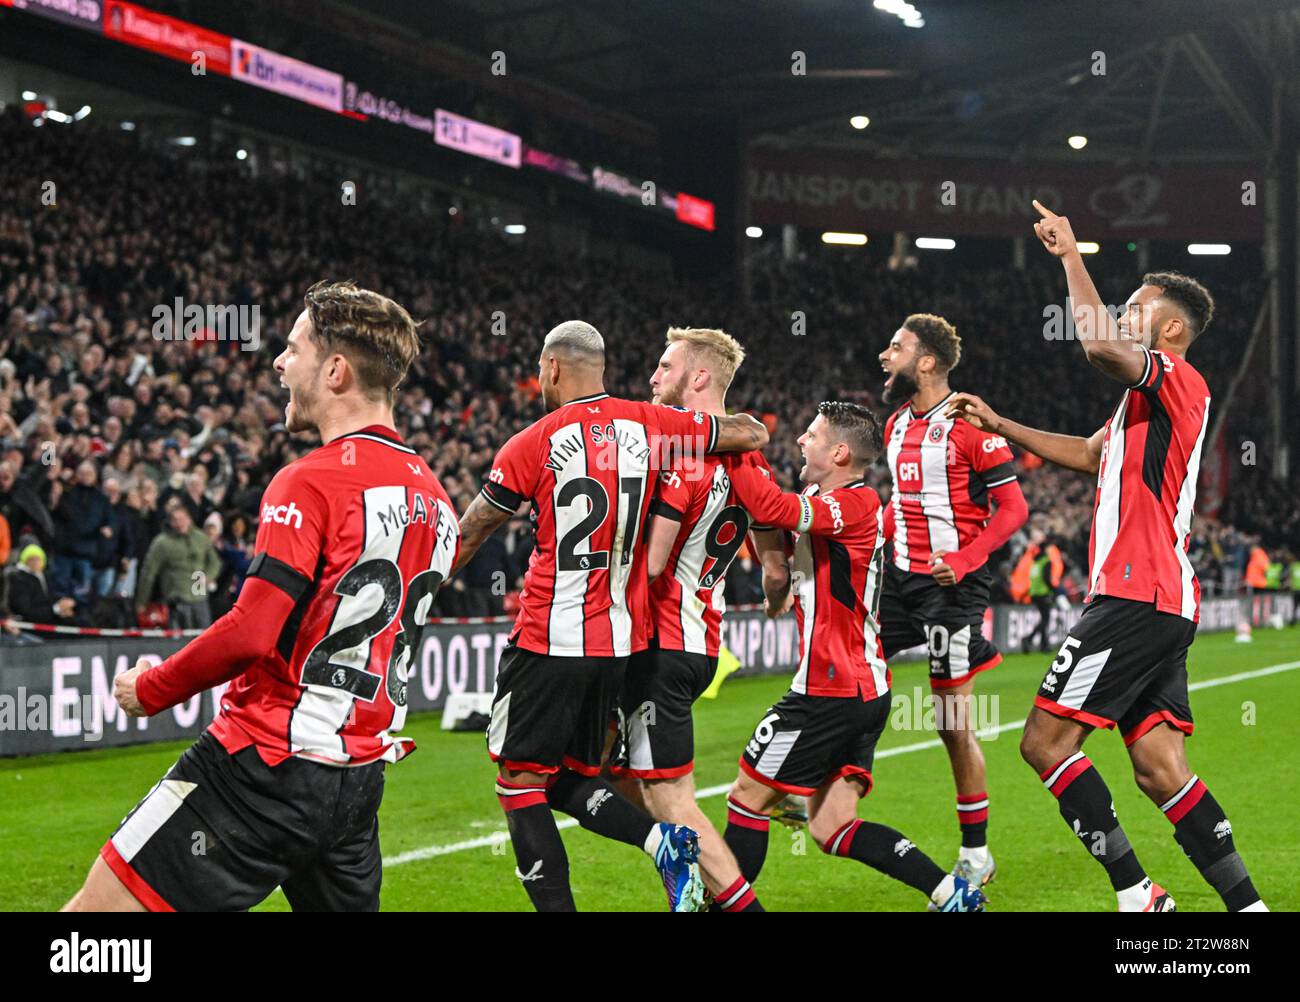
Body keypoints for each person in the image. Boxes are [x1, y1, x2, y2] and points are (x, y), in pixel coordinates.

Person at [63, 280, 458, 912]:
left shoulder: (311, 481)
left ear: (334, 371)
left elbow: (251, 631)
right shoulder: (436, 500)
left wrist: (151, 689)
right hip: (355, 784)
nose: (279, 362)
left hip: (262, 766)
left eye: (293, 347)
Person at [947, 200, 1266, 912]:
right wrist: (1001, 424)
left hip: (1135, 592)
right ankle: (1248, 910)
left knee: (1043, 744)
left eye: (1137, 307)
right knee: (1159, 768)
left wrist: (1070, 254)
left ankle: (1137, 893)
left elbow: (1096, 347)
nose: (1124, 314)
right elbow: (1091, 456)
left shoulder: (1177, 379)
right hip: (1158, 598)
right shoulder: (1138, 404)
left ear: (1171, 328)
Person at [452, 319, 770, 912]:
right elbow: (749, 430)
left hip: (548, 636)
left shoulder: (531, 441)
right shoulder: (651, 426)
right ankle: (661, 841)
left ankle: (656, 850)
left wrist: (419, 594)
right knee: (574, 775)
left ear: (550, 368)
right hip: (617, 644)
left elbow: (470, 531)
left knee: (518, 783)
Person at [718, 401, 987, 912]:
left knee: (745, 800)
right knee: (830, 826)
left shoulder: (859, 503)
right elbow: (773, 521)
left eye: (812, 435)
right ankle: (953, 896)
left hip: (829, 688)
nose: (800, 440)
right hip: (863, 688)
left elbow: (775, 510)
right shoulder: (820, 496)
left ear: (840, 452)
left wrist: (729, 444)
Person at [609, 326, 785, 913]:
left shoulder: (682, 453)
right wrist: (774, 593)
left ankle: (732, 906)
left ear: (700, 376)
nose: (654, 376)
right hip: (697, 632)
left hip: (660, 638)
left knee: (670, 797)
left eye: (665, 366)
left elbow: (652, 560)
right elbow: (774, 561)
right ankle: (681, 888)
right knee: (629, 779)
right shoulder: (749, 455)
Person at [875, 313, 1028, 889]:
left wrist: (965, 558)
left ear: (929, 363)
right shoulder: (893, 426)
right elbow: (899, 504)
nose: (886, 356)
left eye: (898, 347)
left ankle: (975, 852)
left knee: (949, 720)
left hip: (953, 589)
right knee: (848, 672)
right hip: (899, 579)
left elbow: (1013, 510)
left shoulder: (970, 428)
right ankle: (820, 779)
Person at [133, 501, 221, 630]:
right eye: (175, 520)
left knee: (204, 638)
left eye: (183, 519)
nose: (180, 523)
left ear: (189, 519)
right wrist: (141, 603)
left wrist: (209, 576)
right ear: (170, 522)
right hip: (176, 599)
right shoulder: (162, 543)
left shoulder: (201, 538)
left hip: (200, 596)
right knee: (180, 641)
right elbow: (148, 573)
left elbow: (214, 561)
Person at [4, 543, 77, 625]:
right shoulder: (19, 579)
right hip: (31, 623)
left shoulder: (44, 576)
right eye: (32, 559)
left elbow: (49, 598)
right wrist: (55, 609)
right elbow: (26, 610)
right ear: (25, 561)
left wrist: (63, 606)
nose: (35, 562)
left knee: (78, 621)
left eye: (38, 559)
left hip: (47, 617)